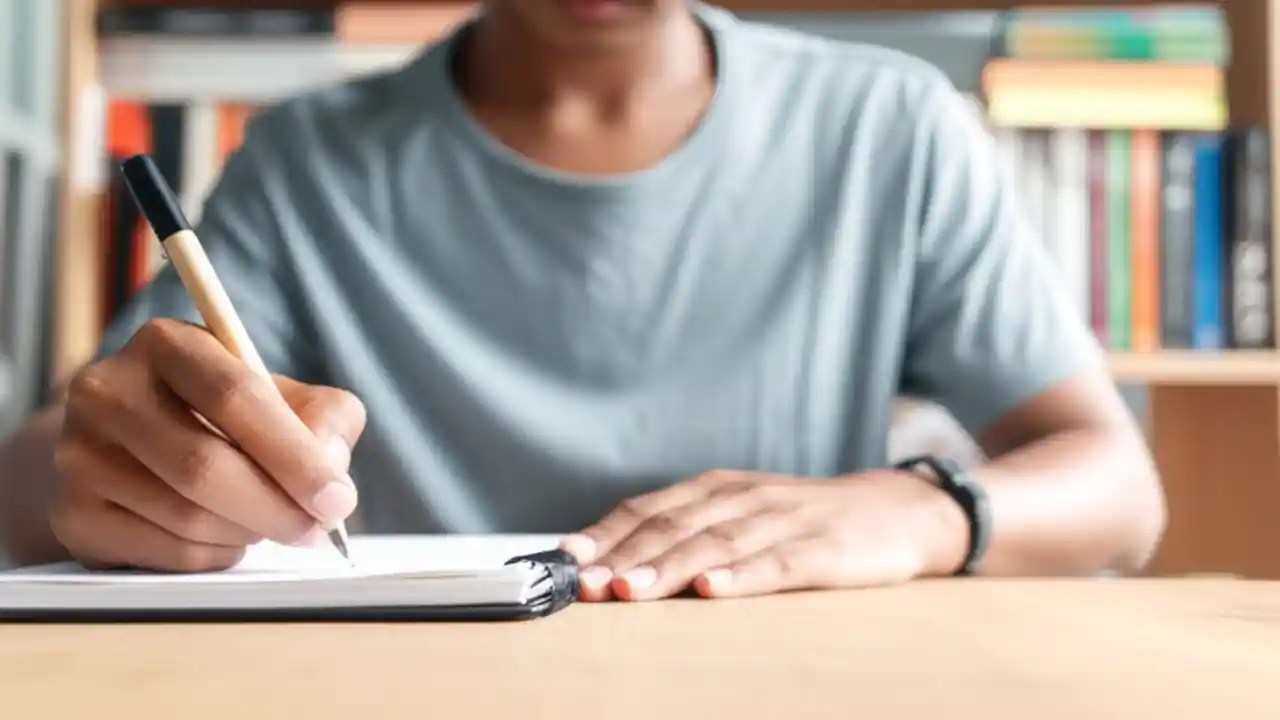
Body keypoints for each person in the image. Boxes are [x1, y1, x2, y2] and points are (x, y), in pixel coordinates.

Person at [0, 0, 1165, 602]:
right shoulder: (307, 163)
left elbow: (1116, 488)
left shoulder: (890, 130)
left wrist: (917, 512)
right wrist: (103, 470)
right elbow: (46, 467)